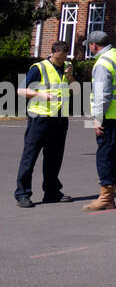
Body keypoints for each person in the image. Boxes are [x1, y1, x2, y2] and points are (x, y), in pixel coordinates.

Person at [13, 40, 75, 207]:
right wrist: (41, 96)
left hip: (60, 119)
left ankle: (52, 191)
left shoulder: (67, 66)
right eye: (60, 57)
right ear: (53, 52)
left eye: (65, 57)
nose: (63, 60)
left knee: (54, 158)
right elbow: (21, 90)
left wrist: (69, 75)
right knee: (30, 157)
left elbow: (74, 87)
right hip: (39, 118)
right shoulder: (38, 68)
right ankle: (22, 194)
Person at [82, 30, 116, 212]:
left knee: (105, 155)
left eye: (88, 45)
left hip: (111, 116)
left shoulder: (103, 63)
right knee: (114, 154)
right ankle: (109, 195)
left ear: (93, 45)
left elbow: (102, 94)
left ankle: (106, 197)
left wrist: (97, 120)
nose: (88, 48)